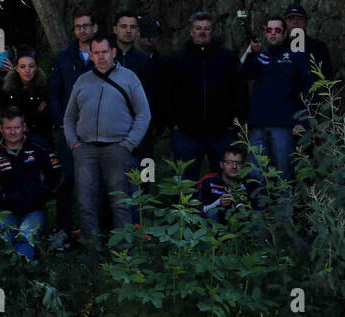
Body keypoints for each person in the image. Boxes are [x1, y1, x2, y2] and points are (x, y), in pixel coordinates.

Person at [63, 34, 150, 248]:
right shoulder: (82, 81)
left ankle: (124, 251)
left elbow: (144, 114)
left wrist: (128, 144)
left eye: (105, 52)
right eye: (96, 53)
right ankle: (92, 250)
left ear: (113, 52)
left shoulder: (129, 78)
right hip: (86, 150)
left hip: (117, 148)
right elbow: (69, 117)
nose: (101, 57)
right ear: (90, 55)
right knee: (86, 201)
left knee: (121, 201)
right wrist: (74, 143)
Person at [162, 12, 246, 180]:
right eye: (198, 28)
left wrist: (236, 124)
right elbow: (167, 94)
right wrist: (172, 123)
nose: (202, 32)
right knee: (185, 183)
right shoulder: (176, 60)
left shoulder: (228, 59)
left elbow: (241, 93)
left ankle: (225, 207)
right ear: (191, 31)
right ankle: (185, 208)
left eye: (207, 28)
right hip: (186, 135)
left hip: (222, 134)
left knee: (225, 182)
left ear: (212, 31)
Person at [0, 107, 62, 260]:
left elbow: (55, 174)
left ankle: (19, 274)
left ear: (24, 127)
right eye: (8, 128)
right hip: (6, 210)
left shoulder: (39, 146)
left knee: (25, 238)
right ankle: (2, 276)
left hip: (34, 209)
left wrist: (43, 193)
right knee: (2, 241)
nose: (13, 132)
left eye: (16, 127)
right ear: (1, 129)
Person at [47, 10, 98, 248]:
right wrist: (59, 122)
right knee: (67, 179)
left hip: (98, 130)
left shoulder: (103, 53)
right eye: (78, 27)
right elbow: (54, 92)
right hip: (69, 130)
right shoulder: (64, 57)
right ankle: (64, 230)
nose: (83, 30)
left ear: (95, 28)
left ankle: (96, 233)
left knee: (97, 180)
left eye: (87, 26)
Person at [239, 16, 311, 181]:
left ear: (284, 33)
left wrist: (303, 121)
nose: (273, 34)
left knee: (284, 172)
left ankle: (286, 206)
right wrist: (251, 53)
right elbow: (243, 74)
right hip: (258, 124)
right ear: (265, 32)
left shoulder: (295, 56)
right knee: (255, 173)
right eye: (269, 30)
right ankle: (257, 207)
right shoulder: (260, 55)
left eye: (277, 30)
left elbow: (307, 89)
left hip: (284, 124)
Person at [112, 10, 155, 160]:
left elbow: (153, 96)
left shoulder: (145, 61)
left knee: (145, 175)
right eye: (123, 26)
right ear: (115, 29)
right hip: (110, 131)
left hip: (142, 130)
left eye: (132, 27)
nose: (128, 31)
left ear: (137, 31)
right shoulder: (104, 59)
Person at [194, 145, 262, 222]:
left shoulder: (251, 182)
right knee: (211, 213)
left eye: (238, 163)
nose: (234, 166)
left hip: (244, 225)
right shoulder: (208, 181)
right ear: (221, 164)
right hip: (216, 228)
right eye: (229, 162)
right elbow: (197, 211)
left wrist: (244, 205)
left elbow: (260, 210)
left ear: (243, 165)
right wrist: (217, 203)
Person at [0, 49, 50, 147]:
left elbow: (46, 116)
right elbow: (7, 115)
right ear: (16, 68)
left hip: (42, 135)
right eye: (22, 67)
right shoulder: (7, 89)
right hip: (15, 138)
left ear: (36, 67)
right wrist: (36, 112)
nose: (27, 70)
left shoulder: (45, 86)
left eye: (31, 66)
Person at [283, 4, 333, 81]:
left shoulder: (318, 47)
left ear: (306, 22)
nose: (295, 22)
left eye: (300, 18)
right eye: (291, 18)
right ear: (285, 23)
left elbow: (327, 76)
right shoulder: (279, 48)